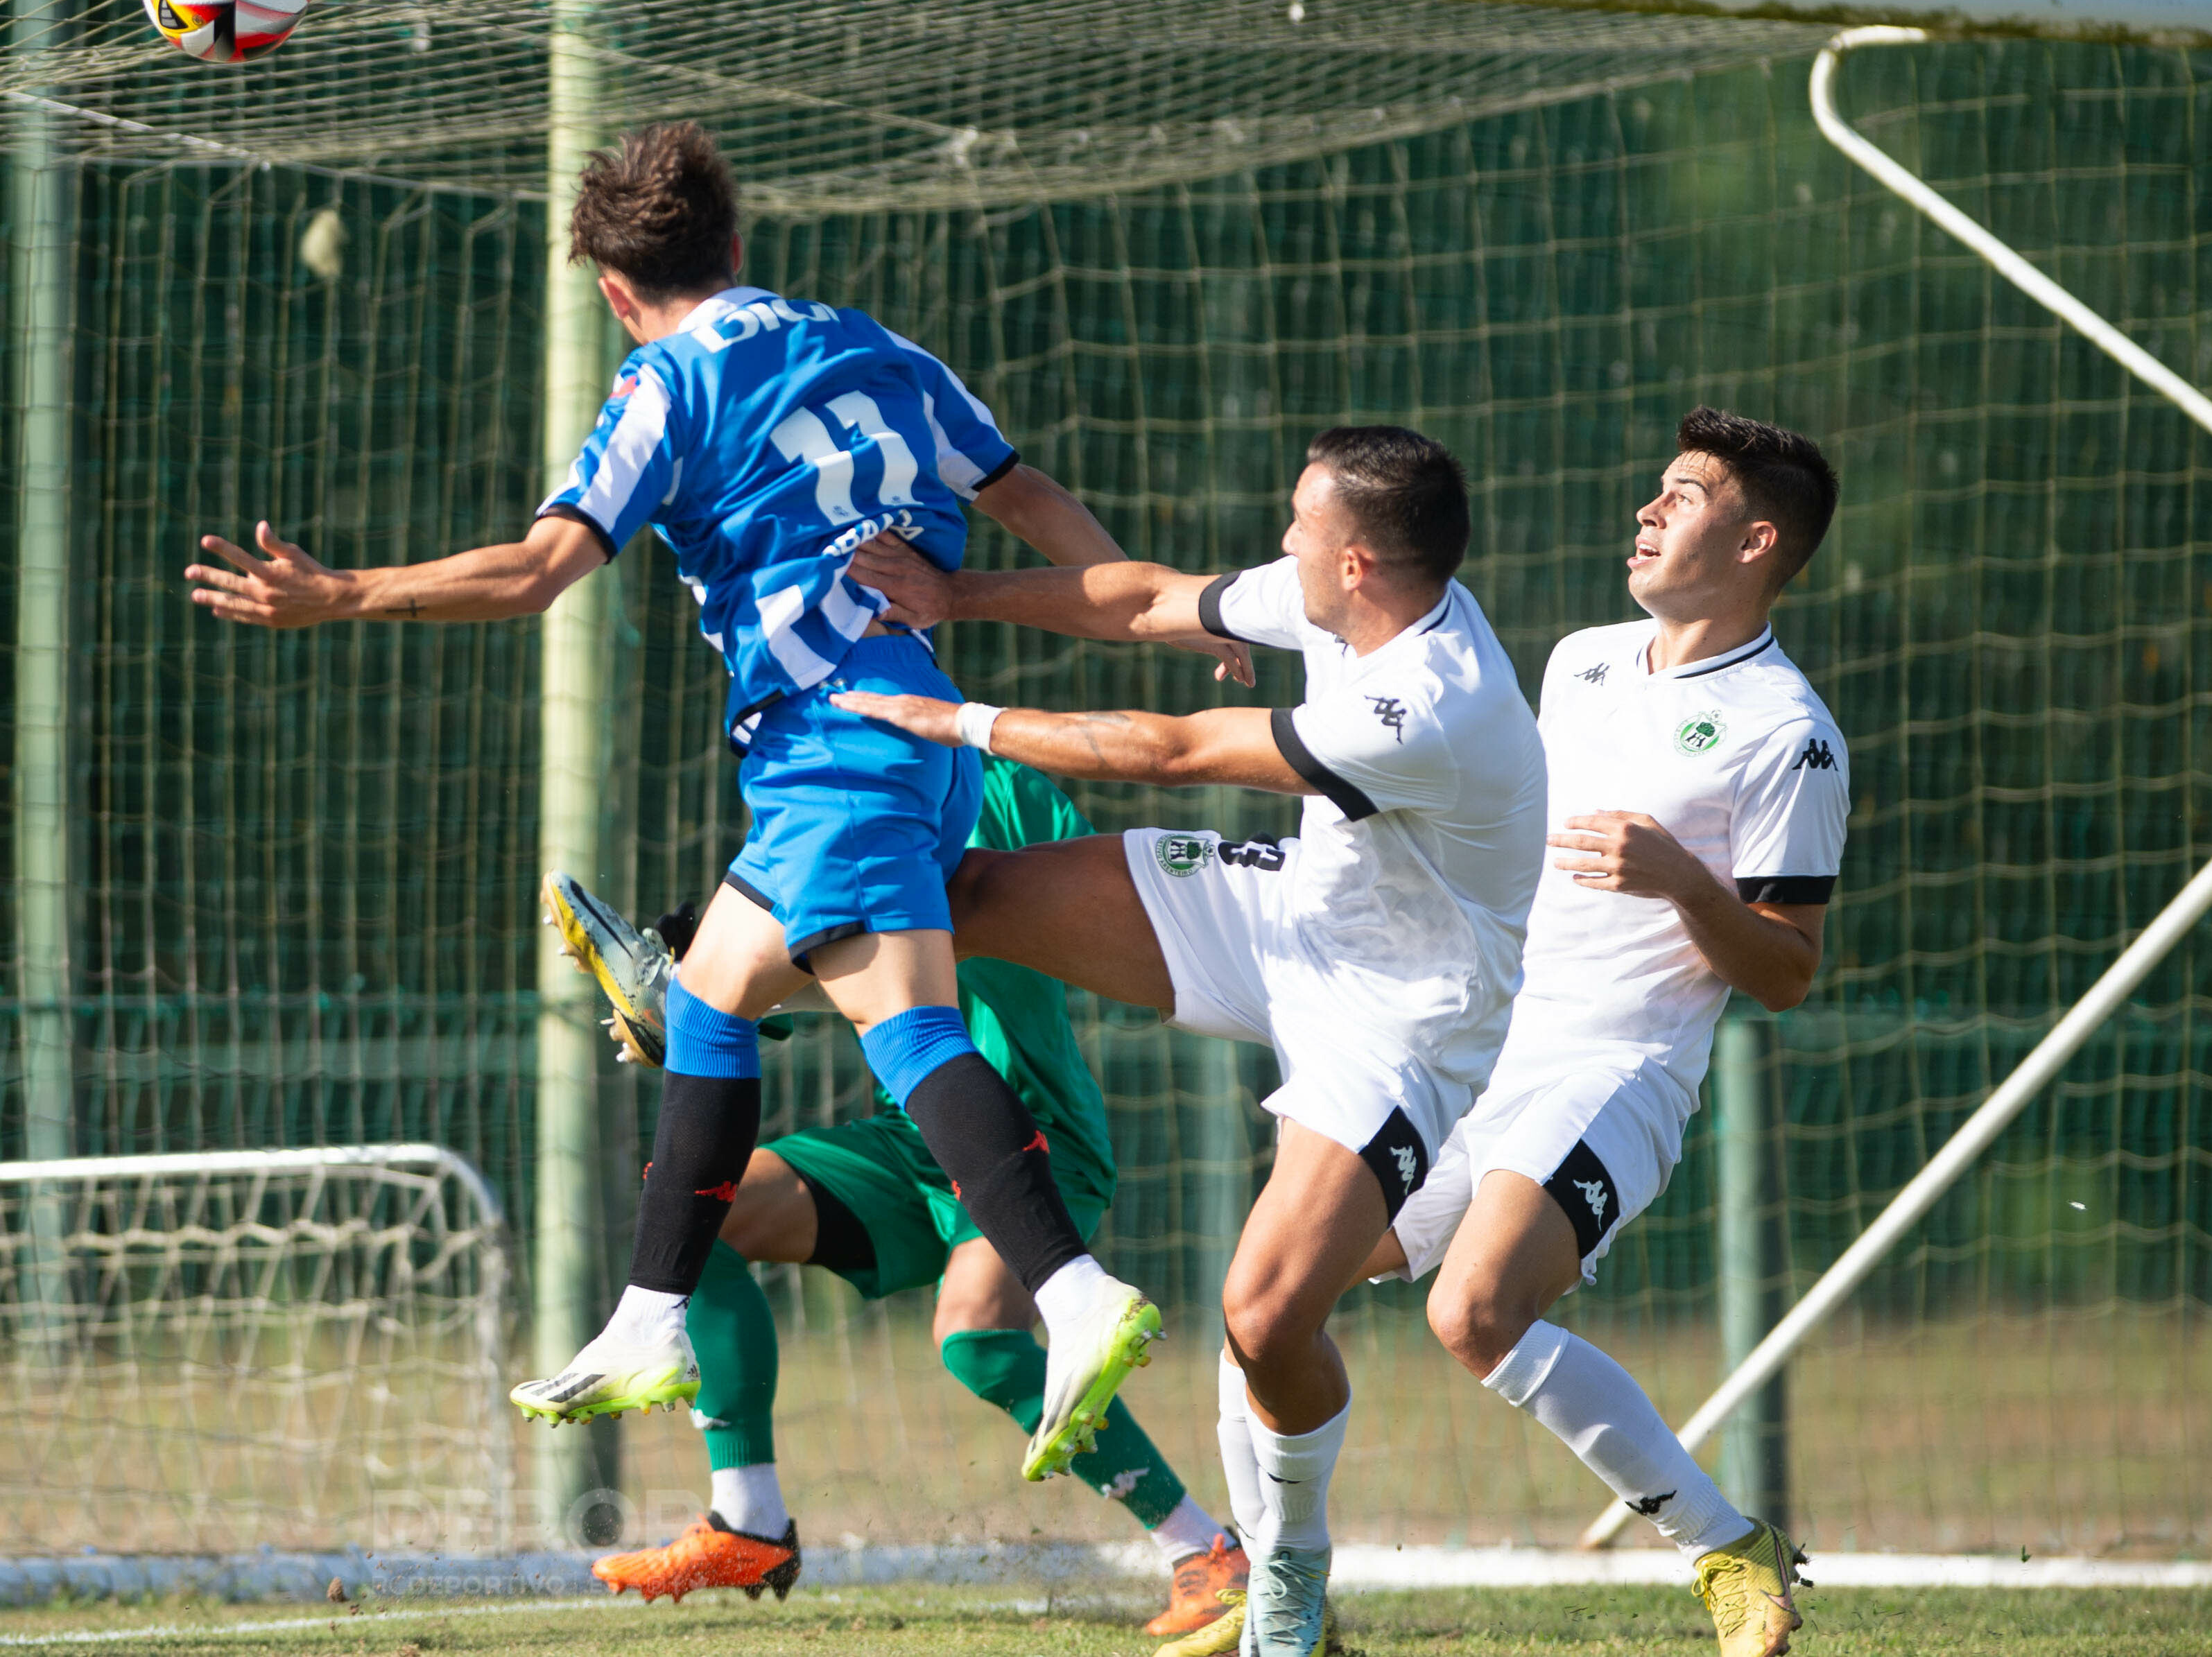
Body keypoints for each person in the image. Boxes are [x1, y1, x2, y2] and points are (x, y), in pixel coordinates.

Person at [186, 120, 1185, 1486]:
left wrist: (344, 592)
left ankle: (1072, 1292)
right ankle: (654, 1316)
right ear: (735, 243)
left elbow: (541, 570)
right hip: (913, 738)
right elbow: (1026, 494)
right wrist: (1138, 601)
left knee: (902, 1035)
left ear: (611, 288)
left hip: (833, 743)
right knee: (708, 999)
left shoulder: (664, 383)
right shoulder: (875, 344)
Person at [830, 426, 1545, 1657]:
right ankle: (698, 971)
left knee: (1263, 1316)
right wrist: (955, 593)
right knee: (966, 891)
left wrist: (956, 719)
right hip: (1284, 907)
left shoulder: (1424, 704)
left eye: (1298, 526)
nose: (1280, 542)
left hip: (1399, 1016)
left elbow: (1166, 746)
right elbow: (1151, 597)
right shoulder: (1355, 600)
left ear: (1359, 560)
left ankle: (1290, 1563)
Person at [542, 758, 1247, 1635]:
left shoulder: (999, 788)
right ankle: (749, 1520)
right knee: (700, 1215)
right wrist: (695, 986)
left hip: (1035, 1135)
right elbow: (813, 949)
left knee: (980, 1343)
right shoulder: (833, 780)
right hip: (910, 1142)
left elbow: (948, 927)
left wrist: (749, 968)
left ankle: (1207, 1552)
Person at [1357, 410, 1843, 1657]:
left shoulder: (1788, 729)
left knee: (1471, 1312)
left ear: (1756, 539)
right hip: (1479, 1037)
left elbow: (1786, 969)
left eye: (1679, 496)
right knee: (1275, 1286)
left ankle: (1724, 1546)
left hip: (1613, 1067)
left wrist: (1687, 881)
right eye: (1655, 490)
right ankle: (1259, 1588)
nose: (1645, 509)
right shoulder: (1577, 656)